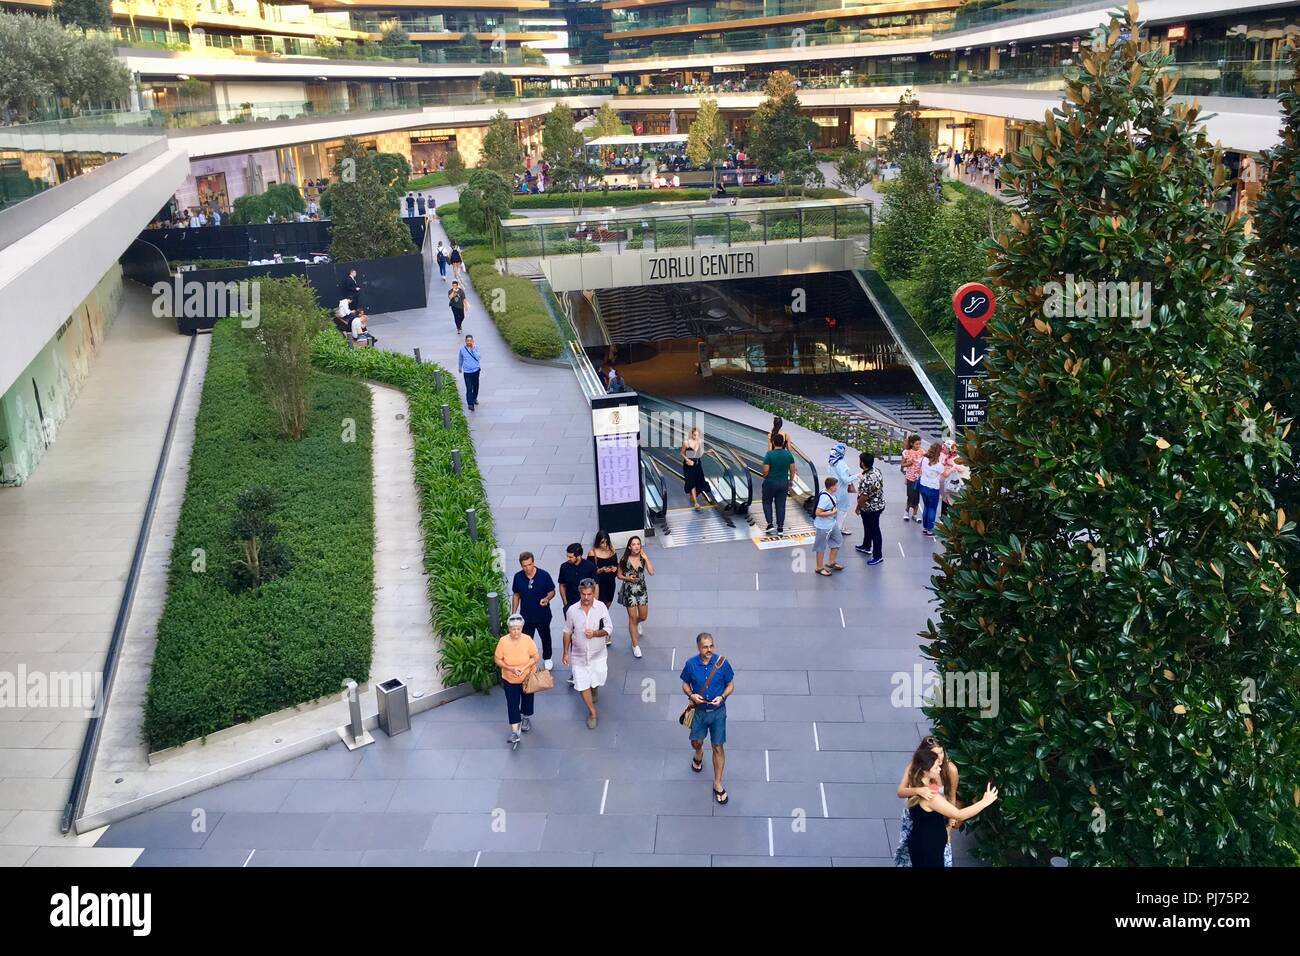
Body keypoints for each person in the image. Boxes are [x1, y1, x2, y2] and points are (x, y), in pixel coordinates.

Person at [902, 749, 998, 867]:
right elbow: (959, 814)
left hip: (921, 840)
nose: (940, 769)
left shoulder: (916, 785)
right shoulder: (931, 797)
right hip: (929, 847)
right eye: (936, 767)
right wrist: (985, 801)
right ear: (926, 770)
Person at [680, 632, 735, 805]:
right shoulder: (690, 664)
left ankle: (717, 783)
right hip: (699, 712)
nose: (709, 649)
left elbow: (730, 685)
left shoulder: (722, 664)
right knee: (696, 741)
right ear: (698, 647)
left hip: (718, 712)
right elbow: (685, 684)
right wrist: (691, 694)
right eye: (705, 647)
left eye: (711, 646)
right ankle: (698, 752)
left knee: (718, 746)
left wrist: (723, 697)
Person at [895, 735, 960, 867]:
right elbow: (900, 791)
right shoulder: (915, 767)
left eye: (941, 752)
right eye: (935, 754)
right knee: (911, 850)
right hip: (917, 813)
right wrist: (917, 790)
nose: (940, 757)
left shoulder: (950, 770)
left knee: (941, 856)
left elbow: (952, 797)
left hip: (938, 816)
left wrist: (949, 828)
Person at [562, 579, 612, 729]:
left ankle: (594, 689)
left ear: (593, 593)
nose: (586, 597)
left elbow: (609, 628)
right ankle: (592, 712)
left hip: (598, 654)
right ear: (580, 593)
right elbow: (567, 631)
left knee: (596, 679)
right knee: (582, 683)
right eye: (583, 594)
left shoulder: (601, 607)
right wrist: (565, 652)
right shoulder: (572, 610)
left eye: (589, 594)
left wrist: (596, 633)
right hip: (578, 655)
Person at [495, 613, 539, 748]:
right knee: (512, 704)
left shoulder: (527, 640)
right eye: (513, 629)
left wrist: (524, 667)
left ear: (522, 628)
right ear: (509, 629)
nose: (516, 631)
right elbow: (497, 659)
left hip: (526, 677)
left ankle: (526, 718)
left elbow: (536, 657)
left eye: (519, 629)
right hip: (509, 679)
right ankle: (514, 731)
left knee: (527, 699)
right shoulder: (503, 641)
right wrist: (510, 668)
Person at [511, 552, 556, 670]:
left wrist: (546, 599)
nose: (527, 568)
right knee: (526, 640)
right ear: (521, 566)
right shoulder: (518, 577)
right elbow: (516, 595)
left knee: (545, 636)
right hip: (526, 616)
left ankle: (547, 658)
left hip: (543, 615)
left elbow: (552, 591)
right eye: (524, 566)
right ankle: (528, 660)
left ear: (533, 562)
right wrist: (514, 613)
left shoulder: (544, 575)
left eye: (529, 564)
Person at [616, 535, 653, 658]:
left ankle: (637, 624)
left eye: (638, 544)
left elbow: (652, 572)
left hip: (642, 590)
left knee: (643, 616)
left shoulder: (643, 558)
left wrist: (646, 558)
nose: (636, 546)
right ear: (629, 546)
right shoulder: (624, 559)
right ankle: (635, 644)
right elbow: (619, 575)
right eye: (634, 544)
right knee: (632, 618)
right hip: (629, 591)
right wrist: (627, 578)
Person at [761, 432, 796, 535]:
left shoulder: (769, 454)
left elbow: (765, 470)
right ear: (783, 443)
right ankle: (780, 527)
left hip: (770, 482)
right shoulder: (788, 454)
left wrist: (765, 476)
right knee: (781, 505)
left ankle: (770, 524)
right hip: (783, 483)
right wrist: (790, 480)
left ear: (773, 442)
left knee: (767, 503)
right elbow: (793, 469)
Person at [854, 451, 885, 565]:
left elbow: (864, 497)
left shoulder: (867, 478)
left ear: (862, 463)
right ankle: (866, 546)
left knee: (874, 530)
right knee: (868, 526)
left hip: (871, 508)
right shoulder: (877, 471)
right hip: (878, 504)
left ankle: (878, 555)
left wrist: (858, 508)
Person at [918, 441, 951, 537]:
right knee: (932, 509)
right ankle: (930, 530)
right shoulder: (938, 465)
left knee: (926, 507)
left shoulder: (924, 459)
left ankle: (925, 528)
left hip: (923, 486)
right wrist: (952, 468)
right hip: (933, 488)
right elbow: (946, 474)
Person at [588, 530, 619, 632]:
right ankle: (601, 628)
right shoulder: (593, 553)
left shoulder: (612, 551)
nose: (604, 545)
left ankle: (601, 626)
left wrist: (615, 569)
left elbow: (616, 565)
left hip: (610, 582)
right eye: (602, 542)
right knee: (599, 606)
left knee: (607, 605)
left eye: (606, 542)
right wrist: (601, 570)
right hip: (599, 583)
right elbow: (590, 572)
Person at [813, 476, 843, 577]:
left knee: (838, 540)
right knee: (821, 547)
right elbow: (818, 512)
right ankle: (819, 568)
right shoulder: (825, 498)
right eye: (835, 486)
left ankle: (831, 562)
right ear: (831, 487)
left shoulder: (826, 491)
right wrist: (832, 512)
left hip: (832, 524)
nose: (837, 487)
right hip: (823, 526)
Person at [557, 542, 597, 613]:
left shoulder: (590, 566)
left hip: (586, 604)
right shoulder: (564, 567)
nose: (568, 559)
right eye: (567, 556)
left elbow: (596, 585)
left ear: (578, 556)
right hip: (570, 605)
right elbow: (562, 585)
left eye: (570, 557)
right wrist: (565, 604)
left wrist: (595, 603)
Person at [829, 441, 855, 537]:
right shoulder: (840, 463)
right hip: (842, 490)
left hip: (834, 489)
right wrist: (856, 476)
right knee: (842, 510)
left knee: (836, 509)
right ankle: (839, 528)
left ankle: (834, 527)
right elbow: (845, 479)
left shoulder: (832, 462)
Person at [680, 426, 707, 511]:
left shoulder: (699, 442)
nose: (696, 437)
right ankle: (696, 503)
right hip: (688, 465)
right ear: (691, 434)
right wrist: (687, 459)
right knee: (692, 483)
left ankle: (692, 495)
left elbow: (699, 454)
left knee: (699, 481)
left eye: (698, 435)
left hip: (697, 465)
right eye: (694, 435)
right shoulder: (686, 443)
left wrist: (708, 452)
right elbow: (681, 453)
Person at [901, 434, 924, 523]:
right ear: (912, 444)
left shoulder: (922, 451)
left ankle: (915, 514)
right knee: (910, 495)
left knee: (917, 497)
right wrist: (908, 464)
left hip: (919, 478)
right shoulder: (906, 452)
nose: (918, 446)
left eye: (919, 444)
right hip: (910, 477)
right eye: (917, 444)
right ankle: (906, 511)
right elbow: (902, 464)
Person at [458, 334, 481, 411]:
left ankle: (474, 398)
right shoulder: (462, 349)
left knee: (476, 386)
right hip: (467, 372)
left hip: (475, 370)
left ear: (473, 341)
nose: (469, 342)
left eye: (470, 340)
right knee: (469, 388)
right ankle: (470, 404)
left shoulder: (476, 348)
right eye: (467, 340)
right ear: (465, 341)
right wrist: (460, 367)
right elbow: (460, 358)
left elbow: (478, 357)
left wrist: (473, 349)